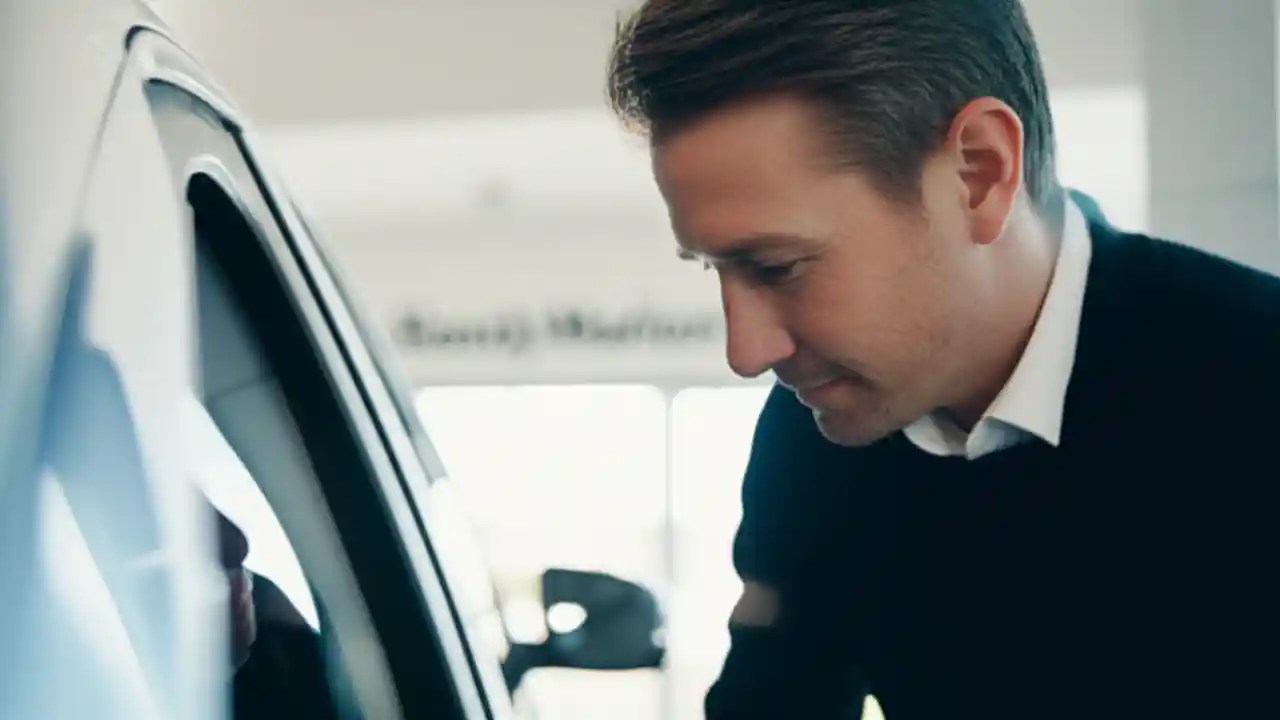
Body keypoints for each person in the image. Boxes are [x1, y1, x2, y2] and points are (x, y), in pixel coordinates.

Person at [607, 1, 1280, 718]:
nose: (745, 353)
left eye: (777, 266)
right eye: (716, 269)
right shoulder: (811, 435)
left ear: (979, 173)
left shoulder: (1256, 383)